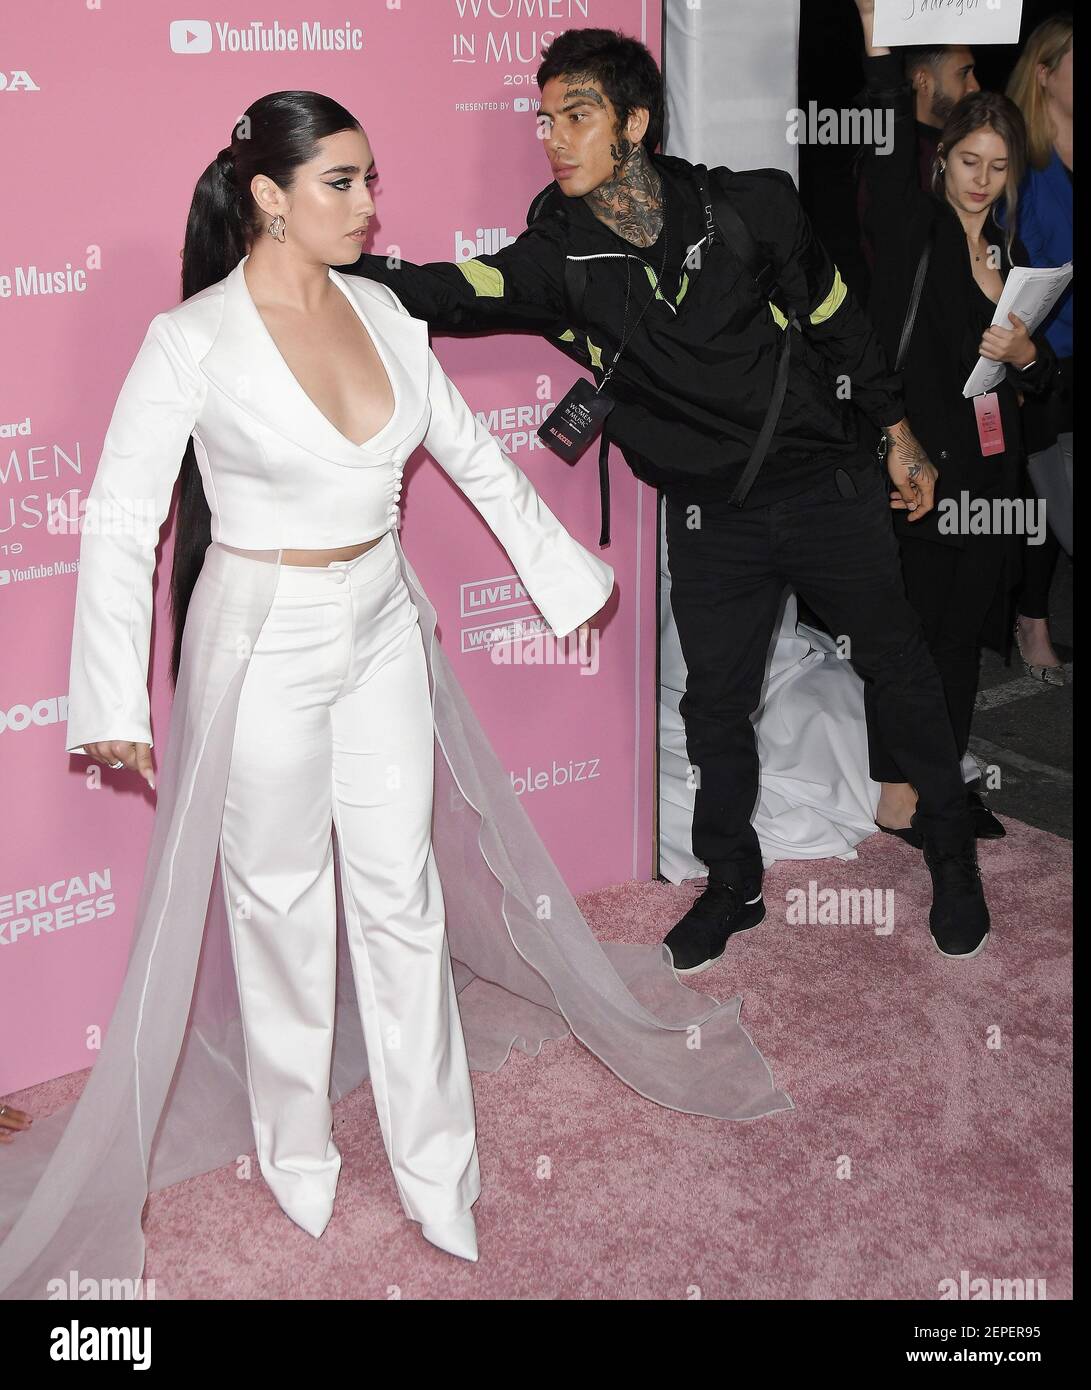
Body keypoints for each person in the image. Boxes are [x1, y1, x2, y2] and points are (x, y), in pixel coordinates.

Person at [0, 91, 793, 1299]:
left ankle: (438, 1166)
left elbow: (471, 453)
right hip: (257, 634)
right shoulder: (192, 340)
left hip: (378, 621)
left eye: (372, 180)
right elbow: (120, 522)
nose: (371, 205)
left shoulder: (383, 312)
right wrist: (109, 695)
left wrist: (564, 572)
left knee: (401, 898)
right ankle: (293, 1143)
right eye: (342, 183)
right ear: (267, 195)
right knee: (276, 903)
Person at [343, 26, 991, 968]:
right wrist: (322, 262)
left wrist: (896, 436)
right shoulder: (557, 252)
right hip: (712, 516)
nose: (553, 137)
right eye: (543, 118)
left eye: (578, 115)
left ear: (634, 122)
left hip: (824, 486)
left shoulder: (750, 209)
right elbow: (449, 291)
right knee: (715, 709)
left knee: (898, 666)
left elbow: (836, 320)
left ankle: (949, 849)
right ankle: (732, 884)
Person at [854, 0, 1058, 851]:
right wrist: (876, 38)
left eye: (996, 165)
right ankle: (899, 797)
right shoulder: (917, 230)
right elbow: (878, 129)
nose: (980, 177)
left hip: (990, 480)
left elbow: (1035, 390)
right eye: (967, 159)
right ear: (942, 161)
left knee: (962, 642)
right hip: (920, 466)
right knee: (910, 638)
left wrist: (1025, 358)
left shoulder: (1008, 256)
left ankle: (943, 780)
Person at [1006, 12, 1073, 685]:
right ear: (1046, 73)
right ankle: (1030, 621)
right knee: (1044, 503)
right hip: (1042, 356)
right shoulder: (1023, 162)